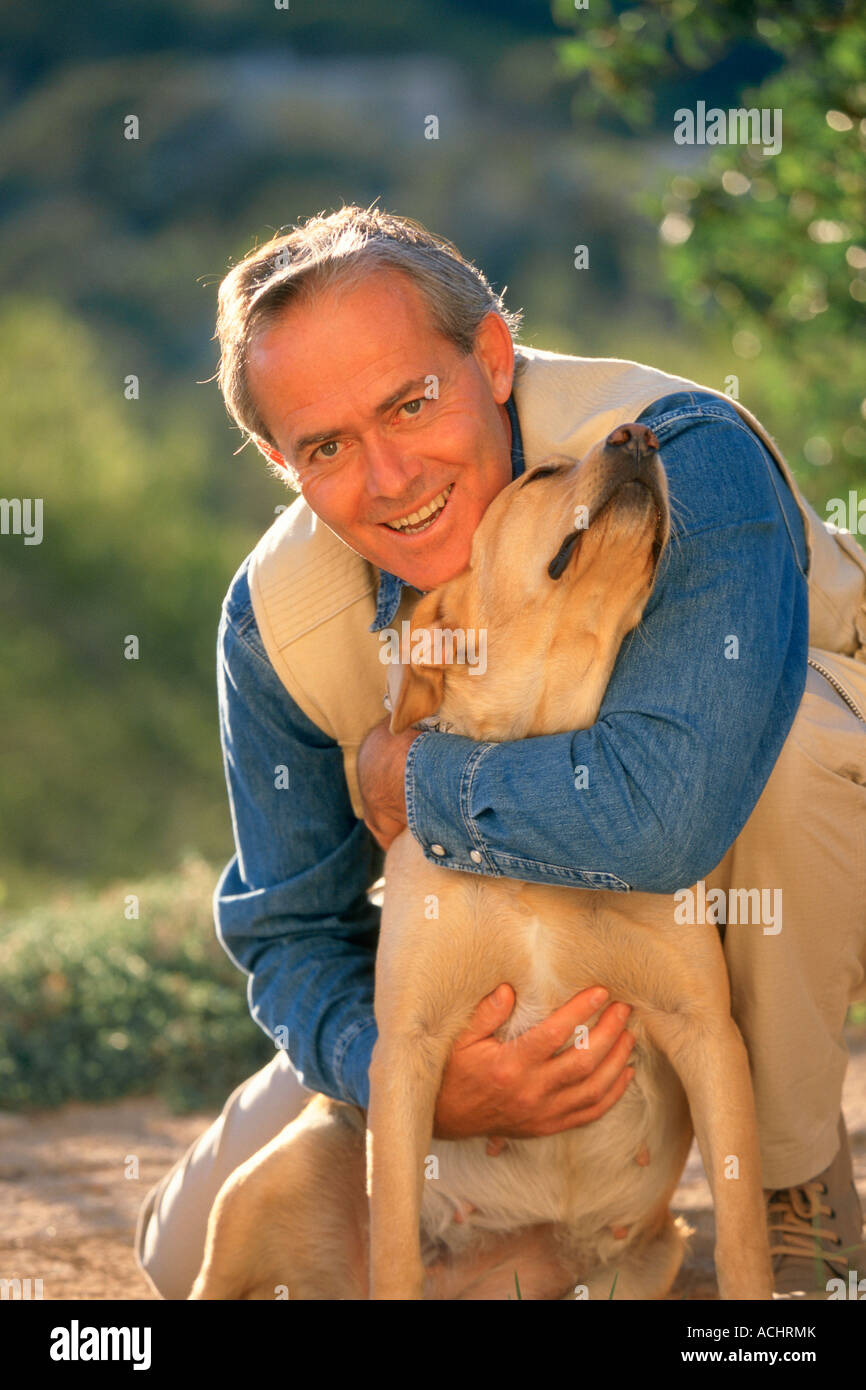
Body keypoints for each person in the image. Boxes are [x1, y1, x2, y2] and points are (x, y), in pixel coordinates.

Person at [136, 204, 866, 1300]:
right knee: (180, 1254)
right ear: (281, 463)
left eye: (410, 402)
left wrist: (409, 777)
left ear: (489, 357)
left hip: (752, 846)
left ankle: (792, 1173)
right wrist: (417, 1081)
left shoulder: (674, 453)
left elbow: (663, 819)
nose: (390, 477)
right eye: (327, 447)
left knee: (793, 747)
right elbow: (290, 930)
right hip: (474, 947)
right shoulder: (272, 621)